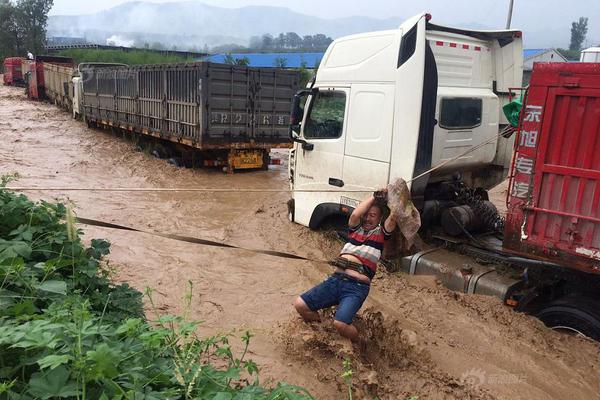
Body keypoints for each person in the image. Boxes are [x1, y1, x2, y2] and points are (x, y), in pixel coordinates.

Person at [293, 190, 396, 342]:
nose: (367, 218)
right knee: (300, 305)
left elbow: (393, 219)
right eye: (366, 214)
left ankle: (360, 346)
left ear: (380, 218)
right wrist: (374, 197)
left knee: (340, 324)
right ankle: (324, 333)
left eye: (372, 215)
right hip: (336, 280)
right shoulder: (354, 230)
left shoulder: (381, 235)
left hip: (356, 287)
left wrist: (395, 196)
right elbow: (355, 215)